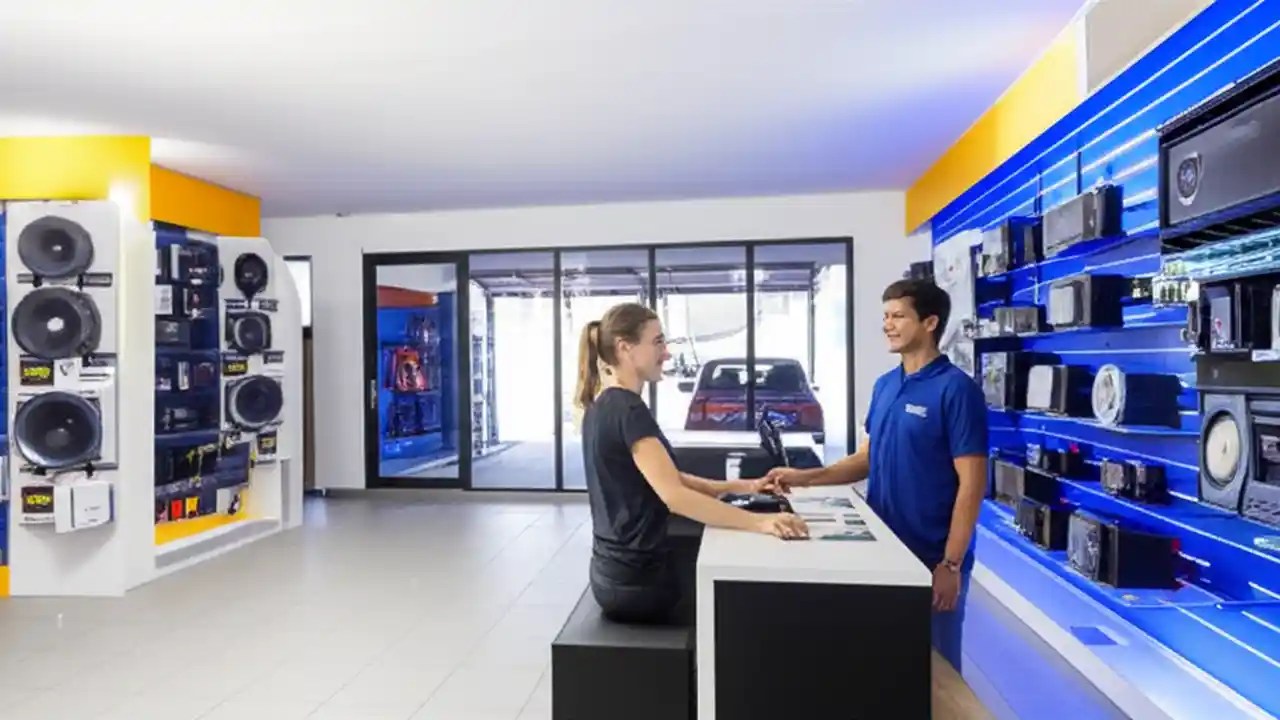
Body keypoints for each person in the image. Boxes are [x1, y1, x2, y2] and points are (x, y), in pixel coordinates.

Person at [765, 279, 987, 672]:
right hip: (884, 547)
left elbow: (972, 484)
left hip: (931, 555)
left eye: (899, 316)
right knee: (889, 663)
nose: (888, 324)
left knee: (937, 670)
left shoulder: (957, 391)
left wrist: (950, 565)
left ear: (930, 322)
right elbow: (867, 459)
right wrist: (805, 477)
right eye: (885, 316)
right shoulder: (885, 386)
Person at [576, 302, 809, 625]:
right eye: (658, 342)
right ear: (624, 347)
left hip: (611, 575)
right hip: (640, 586)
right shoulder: (628, 410)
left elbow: (668, 478)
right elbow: (674, 496)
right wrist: (760, 523)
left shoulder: (601, 406)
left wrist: (744, 487)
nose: (667, 353)